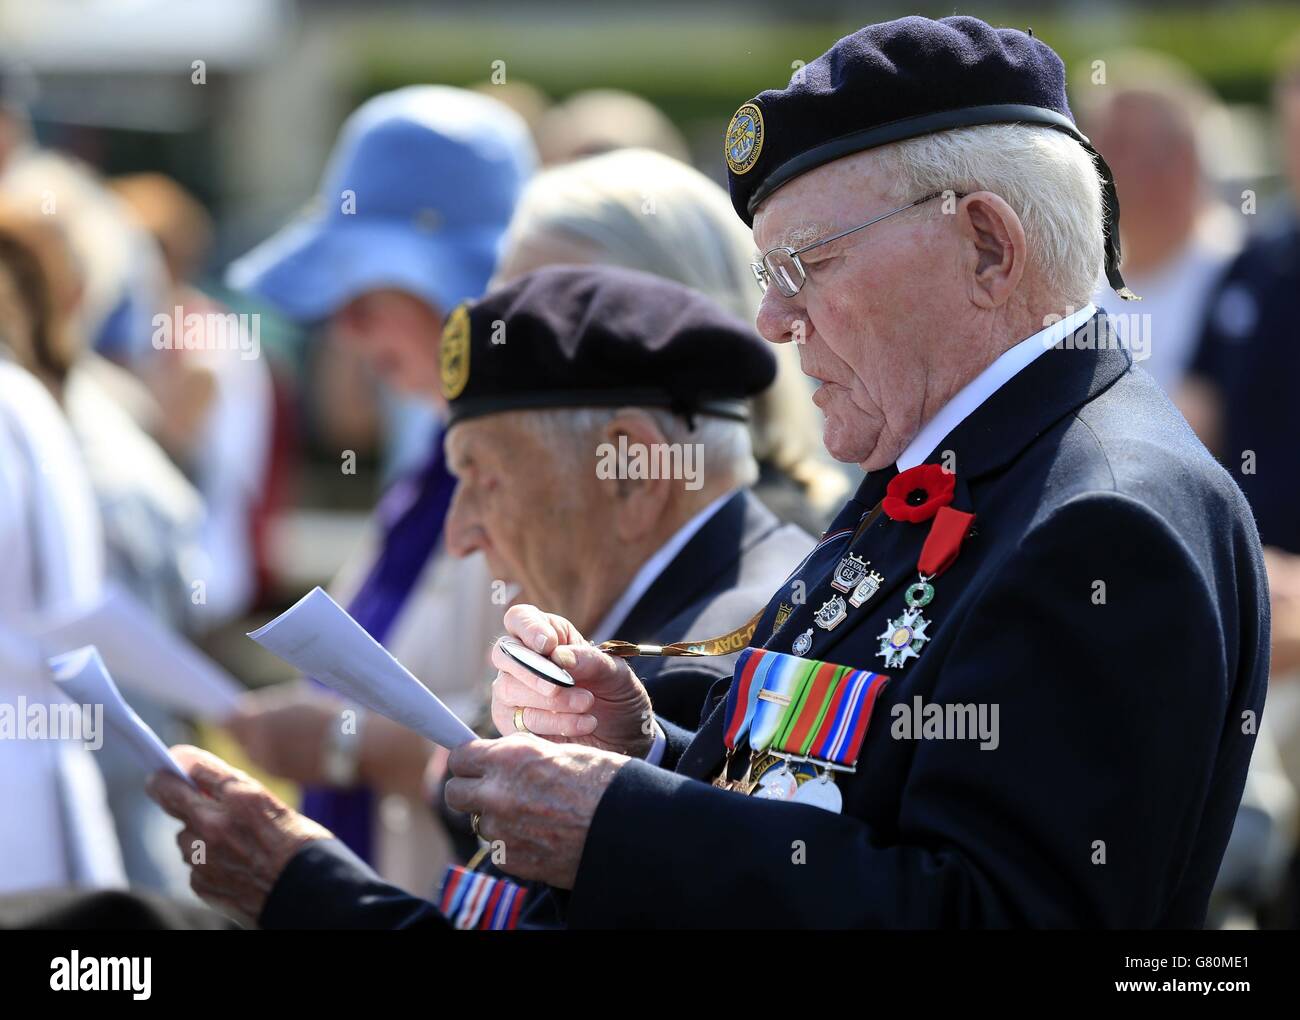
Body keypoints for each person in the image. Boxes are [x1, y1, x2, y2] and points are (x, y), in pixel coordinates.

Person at [151, 16, 1268, 929]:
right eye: (768, 272)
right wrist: (646, 744)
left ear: (985, 244)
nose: (774, 319)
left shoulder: (1100, 512)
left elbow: (997, 918)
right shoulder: (958, 458)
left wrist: (623, 821)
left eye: (808, 265)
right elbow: (838, 804)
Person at [221, 85, 536, 888]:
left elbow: (562, 752)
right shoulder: (437, 455)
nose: (347, 330)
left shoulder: (538, 470)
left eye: (365, 294)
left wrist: (339, 743)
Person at [1078, 51, 1243, 393]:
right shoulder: (1084, 283)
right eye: (1096, 144)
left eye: (1120, 145)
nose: (1096, 164)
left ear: (1182, 160)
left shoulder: (1242, 273)